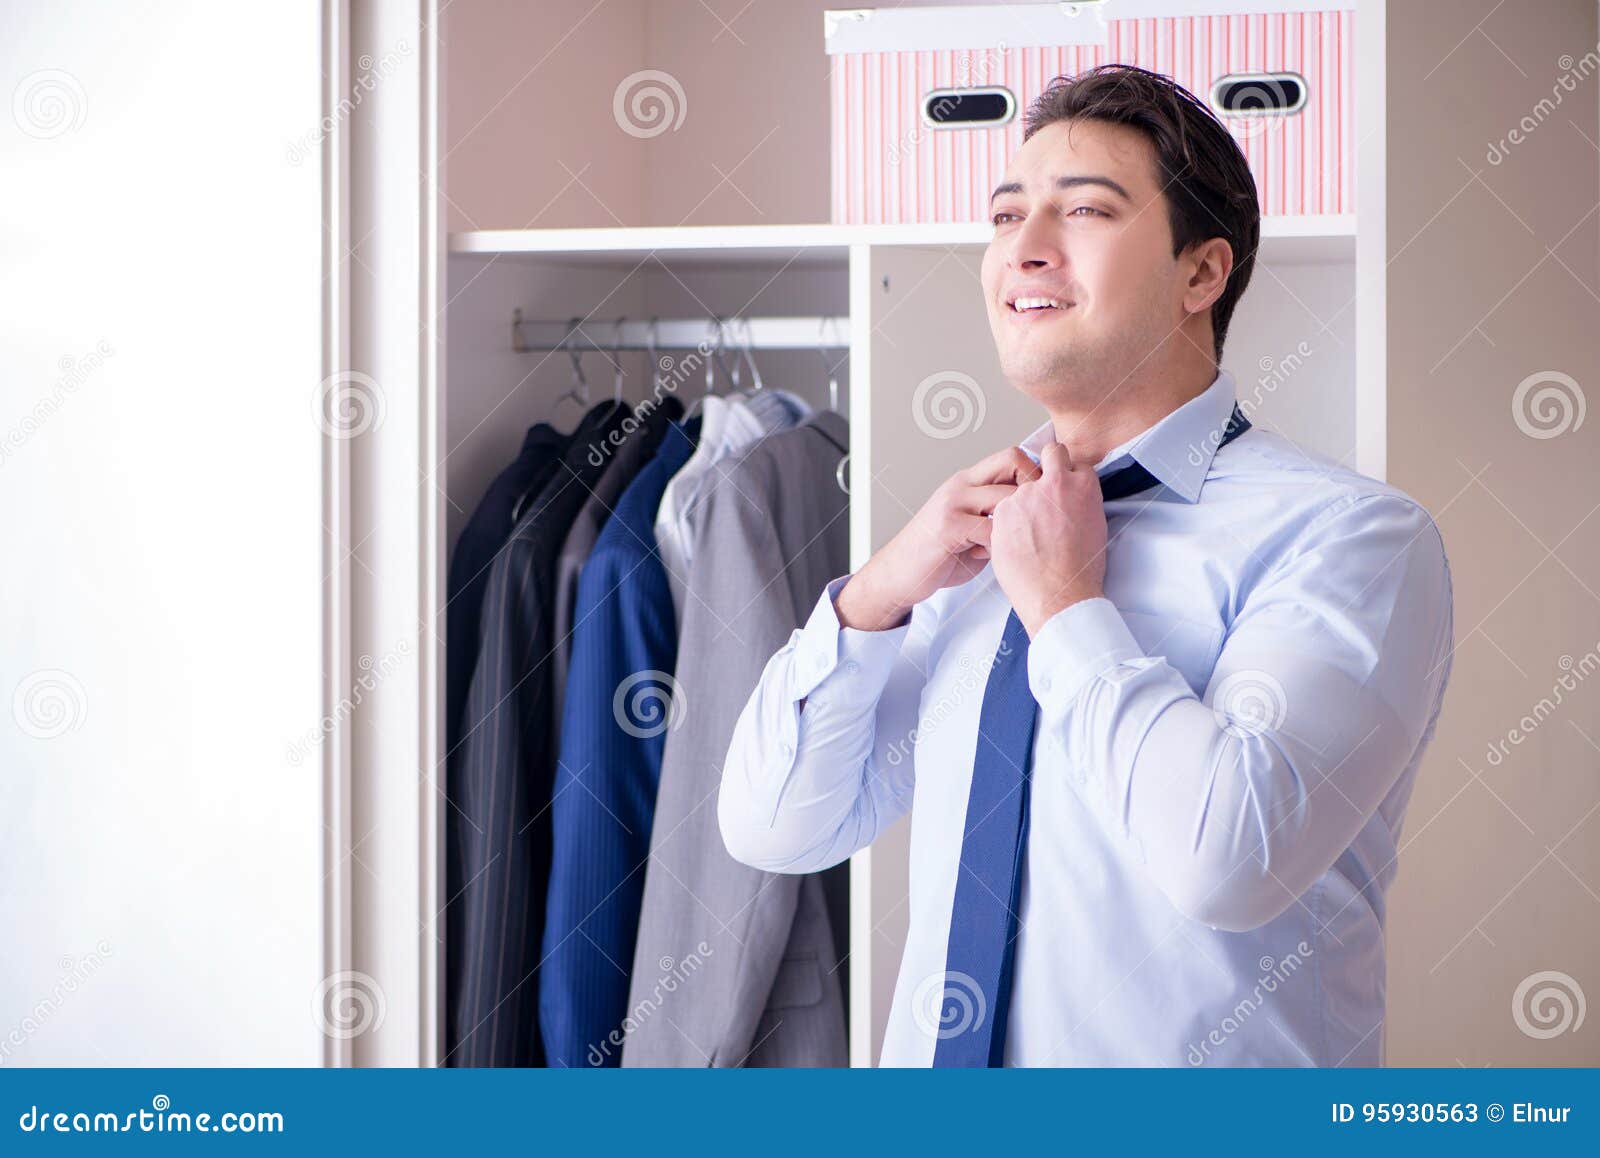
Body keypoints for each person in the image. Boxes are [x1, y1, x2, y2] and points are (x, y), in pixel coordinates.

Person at [716, 64, 1453, 1067]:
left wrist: (1066, 610)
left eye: (1085, 210)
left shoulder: (1350, 539)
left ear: (1202, 274)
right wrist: (876, 595)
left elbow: (1230, 861)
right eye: (1004, 215)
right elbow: (776, 829)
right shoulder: (968, 548)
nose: (1024, 246)